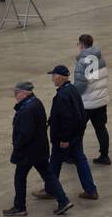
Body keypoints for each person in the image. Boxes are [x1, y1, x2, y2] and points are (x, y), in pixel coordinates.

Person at [2, 81, 71, 217]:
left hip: (28, 151)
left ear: (24, 93)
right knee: (48, 175)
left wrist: (17, 144)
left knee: (20, 177)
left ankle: (20, 206)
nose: (15, 96)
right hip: (39, 149)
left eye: (16, 93)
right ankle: (63, 200)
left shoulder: (27, 109)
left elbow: (26, 133)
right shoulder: (36, 102)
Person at [36, 65, 98, 203]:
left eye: (54, 76)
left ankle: (50, 189)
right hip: (76, 135)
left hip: (65, 138)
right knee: (80, 161)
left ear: (61, 77)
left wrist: (64, 138)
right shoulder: (72, 89)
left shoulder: (63, 95)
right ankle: (90, 189)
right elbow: (81, 112)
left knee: (54, 163)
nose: (52, 79)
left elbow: (66, 119)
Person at [75, 34, 112, 166]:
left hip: (86, 103)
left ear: (82, 45)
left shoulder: (82, 61)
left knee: (77, 130)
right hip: (101, 101)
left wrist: (73, 94)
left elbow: (80, 85)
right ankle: (104, 155)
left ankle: (76, 156)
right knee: (101, 128)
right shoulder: (100, 58)